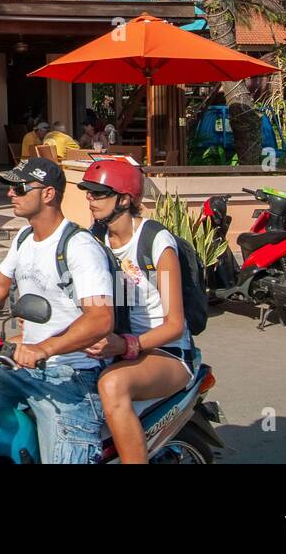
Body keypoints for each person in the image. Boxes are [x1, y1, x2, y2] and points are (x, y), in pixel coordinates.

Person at [0, 158, 114, 464]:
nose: (11, 194)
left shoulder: (78, 246)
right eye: (11, 188)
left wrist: (43, 348)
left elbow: (100, 318)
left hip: (70, 377)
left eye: (20, 188)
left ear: (48, 194)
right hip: (20, 369)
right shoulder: (24, 239)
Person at [78, 159, 191, 464]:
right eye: (88, 192)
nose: (90, 198)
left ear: (125, 199)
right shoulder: (95, 240)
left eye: (99, 193)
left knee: (111, 385)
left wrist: (129, 344)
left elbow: (175, 324)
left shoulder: (155, 242)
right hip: (117, 345)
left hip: (166, 352)